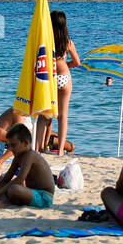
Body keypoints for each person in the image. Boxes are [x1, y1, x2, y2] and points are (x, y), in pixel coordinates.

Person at [33, 10, 80, 159]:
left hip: (51, 78)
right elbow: (77, 62)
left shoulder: (47, 41)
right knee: (63, 116)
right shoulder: (68, 42)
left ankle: (37, 148)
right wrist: (67, 65)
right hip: (65, 78)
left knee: (45, 115)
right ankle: (60, 150)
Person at [0, 124, 56, 209]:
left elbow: (20, 179)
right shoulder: (18, 157)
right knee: (5, 188)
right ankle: (4, 202)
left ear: (26, 143)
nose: (10, 148)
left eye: (13, 145)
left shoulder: (30, 155)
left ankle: (7, 203)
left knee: (14, 189)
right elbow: (6, 179)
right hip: (31, 192)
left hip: (44, 197)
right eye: (9, 145)